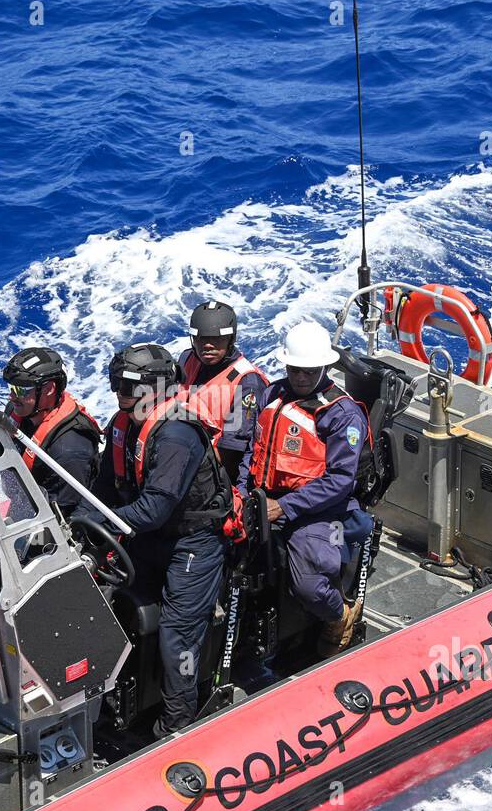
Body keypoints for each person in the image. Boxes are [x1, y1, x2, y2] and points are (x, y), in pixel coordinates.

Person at [79, 343, 230, 737]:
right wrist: (78, 523)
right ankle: (105, 700)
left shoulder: (177, 434)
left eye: (127, 386)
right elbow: (105, 490)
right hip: (147, 539)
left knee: (176, 633)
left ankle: (179, 719)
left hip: (191, 545)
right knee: (100, 603)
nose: (118, 394)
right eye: (116, 384)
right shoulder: (122, 425)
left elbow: (153, 510)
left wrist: (106, 526)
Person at [236, 322, 370, 658]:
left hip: (318, 510)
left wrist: (285, 507)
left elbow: (340, 480)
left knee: (308, 586)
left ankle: (339, 615)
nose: (300, 377)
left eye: (309, 371)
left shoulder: (342, 415)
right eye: (295, 369)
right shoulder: (272, 395)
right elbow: (252, 451)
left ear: (324, 367)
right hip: (262, 498)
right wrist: (240, 493)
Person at [2, 347, 101, 517]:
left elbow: (59, 515)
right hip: (23, 503)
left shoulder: (70, 450)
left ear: (49, 389)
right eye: (12, 388)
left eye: (21, 390)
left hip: (54, 521)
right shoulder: (17, 410)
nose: (12, 397)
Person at [176, 300, 268, 484]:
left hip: (213, 474)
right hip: (179, 448)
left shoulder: (247, 382)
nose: (207, 345)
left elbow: (231, 454)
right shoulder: (187, 359)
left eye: (216, 339)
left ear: (231, 340)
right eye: (201, 338)